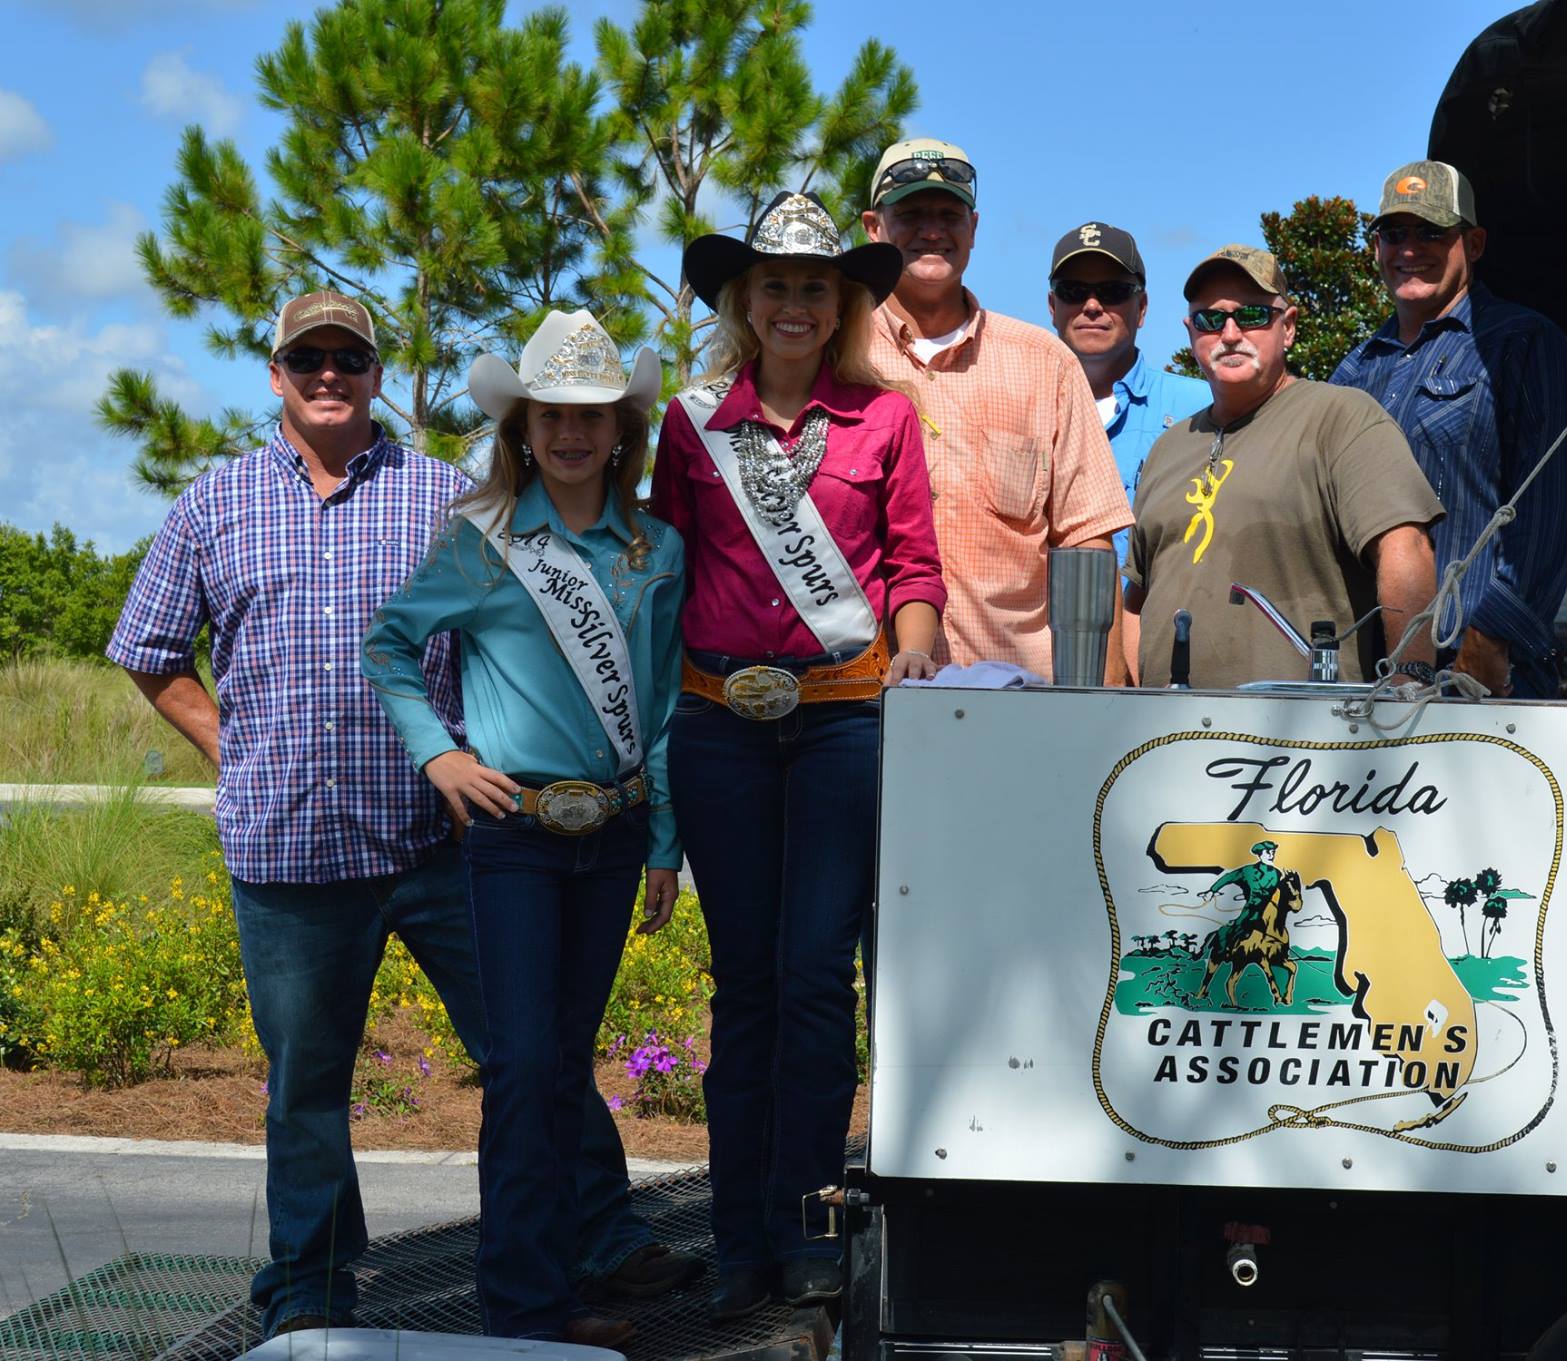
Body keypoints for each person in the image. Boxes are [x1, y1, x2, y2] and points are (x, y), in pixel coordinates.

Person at [107, 292, 699, 1342]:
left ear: (377, 374)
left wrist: (471, 760)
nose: (329, 373)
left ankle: (600, 1234)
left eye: (349, 357)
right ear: (276, 373)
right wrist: (235, 750)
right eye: (308, 358)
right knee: (307, 1085)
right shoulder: (213, 502)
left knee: (531, 1052)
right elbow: (150, 651)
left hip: (443, 841)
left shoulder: (444, 497)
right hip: (287, 849)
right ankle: (312, 1282)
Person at [359, 309, 685, 1347]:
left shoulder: (658, 549)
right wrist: (439, 755)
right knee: (521, 1067)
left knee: (564, 1059)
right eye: (552, 416)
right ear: (524, 430)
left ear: (621, 430)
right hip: (516, 837)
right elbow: (389, 646)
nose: (572, 433)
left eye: (592, 415)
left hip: (614, 837)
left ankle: (560, 1278)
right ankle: (522, 1308)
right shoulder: (482, 542)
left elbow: (663, 704)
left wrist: (665, 840)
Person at [653, 191, 946, 1319]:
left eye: (813, 287)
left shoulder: (885, 418)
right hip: (719, 724)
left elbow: (912, 564)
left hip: (841, 720)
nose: (792, 304)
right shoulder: (692, 425)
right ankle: (738, 1236)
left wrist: (914, 649)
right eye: (772, 284)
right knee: (747, 987)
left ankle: (809, 1222)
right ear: (744, 299)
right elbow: (663, 572)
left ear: (841, 304)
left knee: (821, 979)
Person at [861, 138, 1130, 678]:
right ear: (873, 228)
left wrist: (1106, 699)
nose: (932, 231)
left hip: (1016, 698)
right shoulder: (838, 355)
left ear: (974, 228)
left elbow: (1088, 544)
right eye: (911, 215)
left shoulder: (1045, 363)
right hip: (862, 697)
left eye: (949, 215)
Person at [1330, 160, 1567, 698]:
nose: (1409, 249)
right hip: (1361, 673)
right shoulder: (1355, 368)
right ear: (1376, 248)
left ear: (1473, 244)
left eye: (1431, 232)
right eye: (1394, 234)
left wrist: (1492, 636)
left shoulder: (1525, 343)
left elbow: (1558, 507)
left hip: (1476, 673)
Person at [1123, 246, 1444, 688]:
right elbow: (1136, 598)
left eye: (1252, 316)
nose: (1230, 334)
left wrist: (1411, 676)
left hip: (1297, 724)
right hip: (1162, 722)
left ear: (1288, 327)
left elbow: (1406, 546)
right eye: (1210, 320)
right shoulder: (1167, 447)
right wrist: (1125, 699)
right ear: (1191, 332)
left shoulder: (1341, 417)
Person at [1046, 222, 1209, 680]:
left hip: (1169, 669)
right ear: (1053, 306)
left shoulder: (1203, 407)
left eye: (1114, 291)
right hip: (1041, 669)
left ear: (1142, 308)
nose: (1092, 305)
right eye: (1074, 291)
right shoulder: (1018, 410)